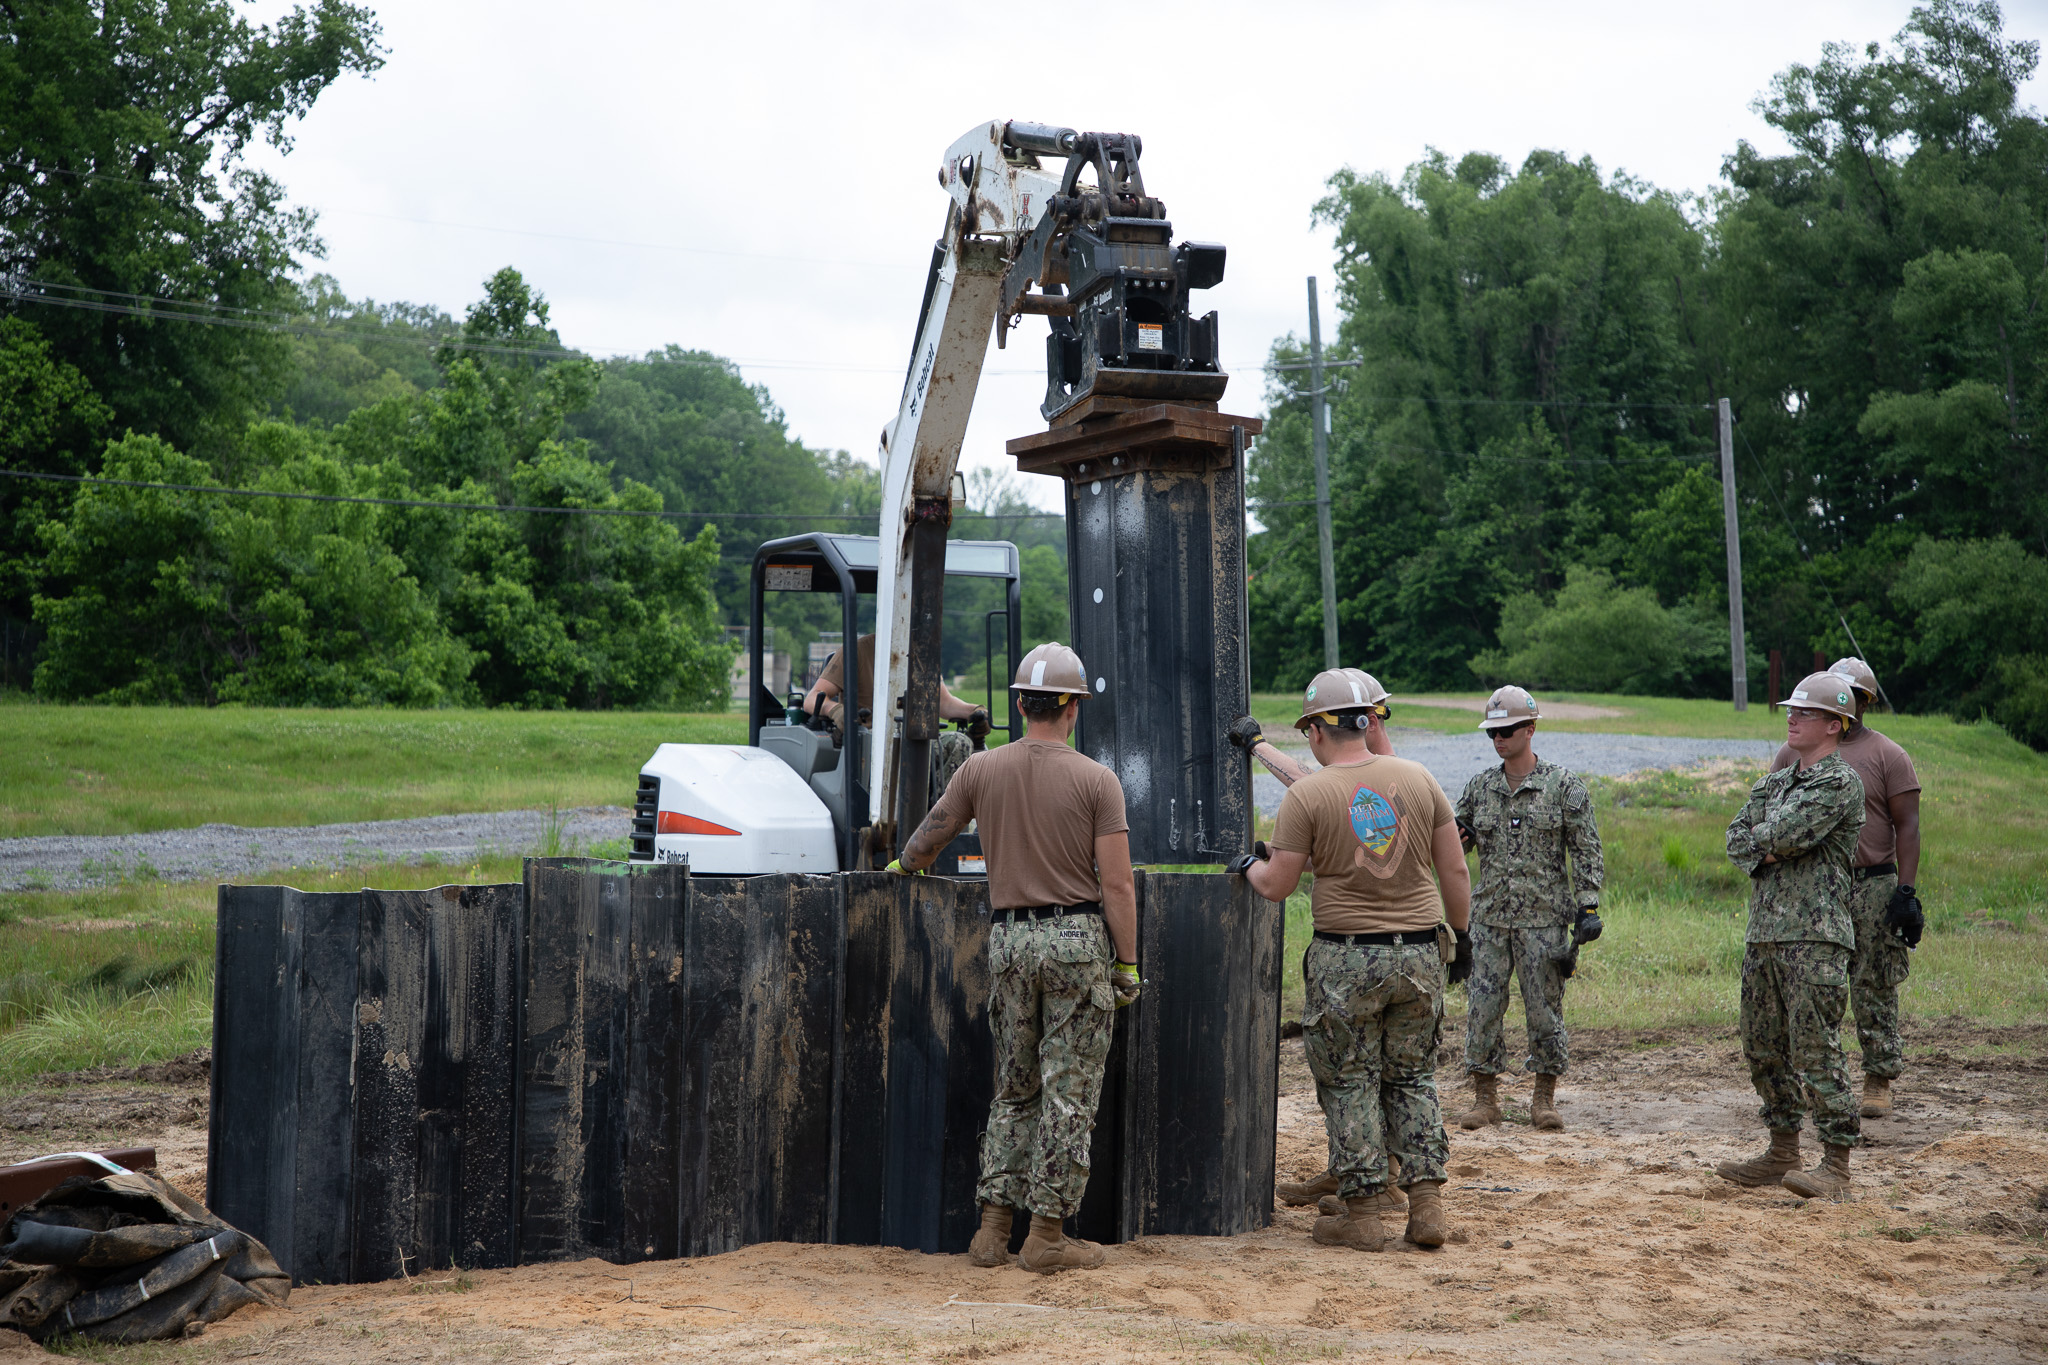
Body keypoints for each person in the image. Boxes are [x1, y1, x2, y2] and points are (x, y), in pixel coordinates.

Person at [889, 642, 1139, 1274]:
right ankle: (1048, 1236)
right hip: (1075, 943)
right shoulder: (1097, 781)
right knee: (1068, 1092)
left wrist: (902, 866)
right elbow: (1117, 885)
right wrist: (1127, 964)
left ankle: (992, 1231)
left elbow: (932, 832)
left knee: (1016, 1087)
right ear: (1073, 709)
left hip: (1008, 942)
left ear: (1021, 704)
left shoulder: (981, 770)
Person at [1234, 669, 1472, 1253]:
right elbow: (1455, 870)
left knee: (1349, 1081)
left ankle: (1363, 1213)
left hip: (1347, 959)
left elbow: (1278, 884)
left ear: (1316, 730)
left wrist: (1246, 865)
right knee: (1412, 1077)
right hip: (1419, 951)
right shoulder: (1418, 778)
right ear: (1367, 721)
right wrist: (1461, 940)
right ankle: (1427, 1207)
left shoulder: (1307, 795)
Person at [1225, 670, 1407, 1213]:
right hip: (1405, 943)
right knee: (1386, 1069)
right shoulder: (1400, 771)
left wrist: (1258, 746)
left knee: (1355, 1070)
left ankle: (1377, 1182)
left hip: (1357, 945)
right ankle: (1359, 1173)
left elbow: (1308, 783)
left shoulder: (1379, 771)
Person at [1719, 672, 1866, 1198]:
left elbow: (1787, 834)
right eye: (1791, 710)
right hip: (1765, 936)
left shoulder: (1840, 783)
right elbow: (1737, 840)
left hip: (1817, 935)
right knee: (1761, 1045)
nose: (1792, 718)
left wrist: (1771, 841)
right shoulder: (1776, 781)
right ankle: (1782, 1149)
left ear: (1834, 724)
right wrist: (1770, 844)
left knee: (1815, 1048)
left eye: (1804, 713)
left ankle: (1837, 1165)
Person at [1768, 658, 1921, 1120]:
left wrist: (1907, 891)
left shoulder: (1888, 755)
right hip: (1814, 888)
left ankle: (1878, 1075)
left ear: (1863, 702)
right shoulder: (1791, 754)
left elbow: (1907, 826)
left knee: (1873, 981)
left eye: (1851, 693)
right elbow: (1771, 818)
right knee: (1810, 983)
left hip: (1871, 883)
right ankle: (1808, 1080)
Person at [1453, 686, 1604, 1134]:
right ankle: (1486, 1097)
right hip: (1489, 920)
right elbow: (1453, 842)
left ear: (1530, 729)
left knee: (1544, 1011)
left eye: (1507, 730)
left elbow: (1586, 849)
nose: (1498, 739)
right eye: (1492, 732)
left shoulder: (1563, 787)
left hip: (1544, 920)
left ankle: (1543, 1097)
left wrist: (1588, 905)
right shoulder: (1480, 788)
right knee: (1482, 1008)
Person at [803, 633, 992, 796]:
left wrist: (974, 712)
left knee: (960, 743)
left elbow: (943, 702)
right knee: (909, 751)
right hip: (870, 742)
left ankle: (943, 819)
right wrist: (835, 710)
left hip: (915, 737)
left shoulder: (921, 653)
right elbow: (812, 699)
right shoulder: (857, 651)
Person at [1226, 668, 1395, 788]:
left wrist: (1256, 742)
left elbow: (1320, 790)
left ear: (1369, 722)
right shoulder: (1403, 773)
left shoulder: (1387, 778)